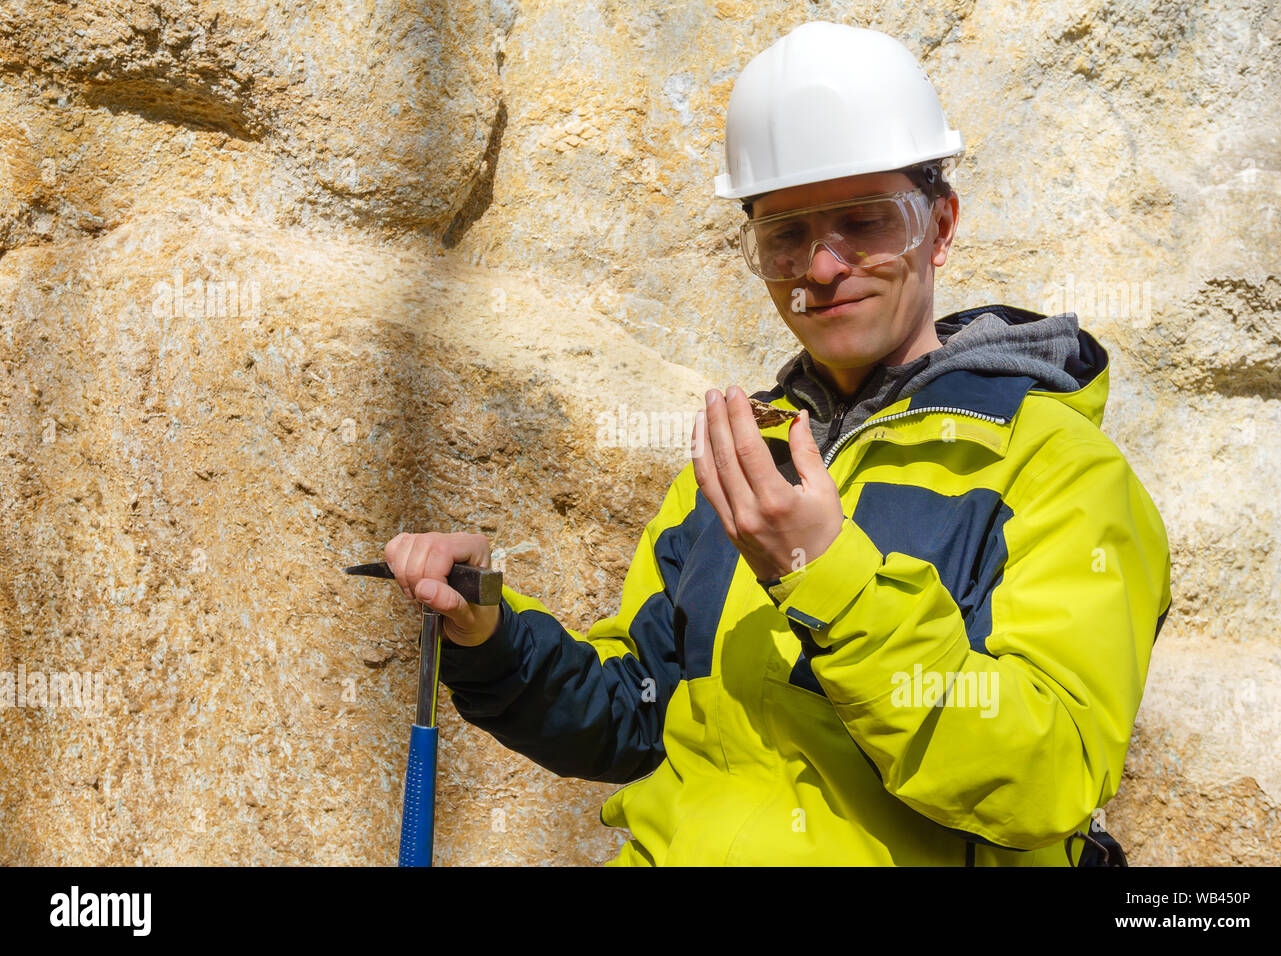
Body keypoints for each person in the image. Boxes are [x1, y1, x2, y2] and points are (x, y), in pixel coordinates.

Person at [381, 21, 1173, 866]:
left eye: (866, 222)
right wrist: (491, 635)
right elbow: (639, 713)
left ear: (939, 226)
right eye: (785, 234)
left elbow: (1046, 778)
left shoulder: (1060, 471)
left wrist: (824, 575)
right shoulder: (745, 457)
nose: (822, 267)